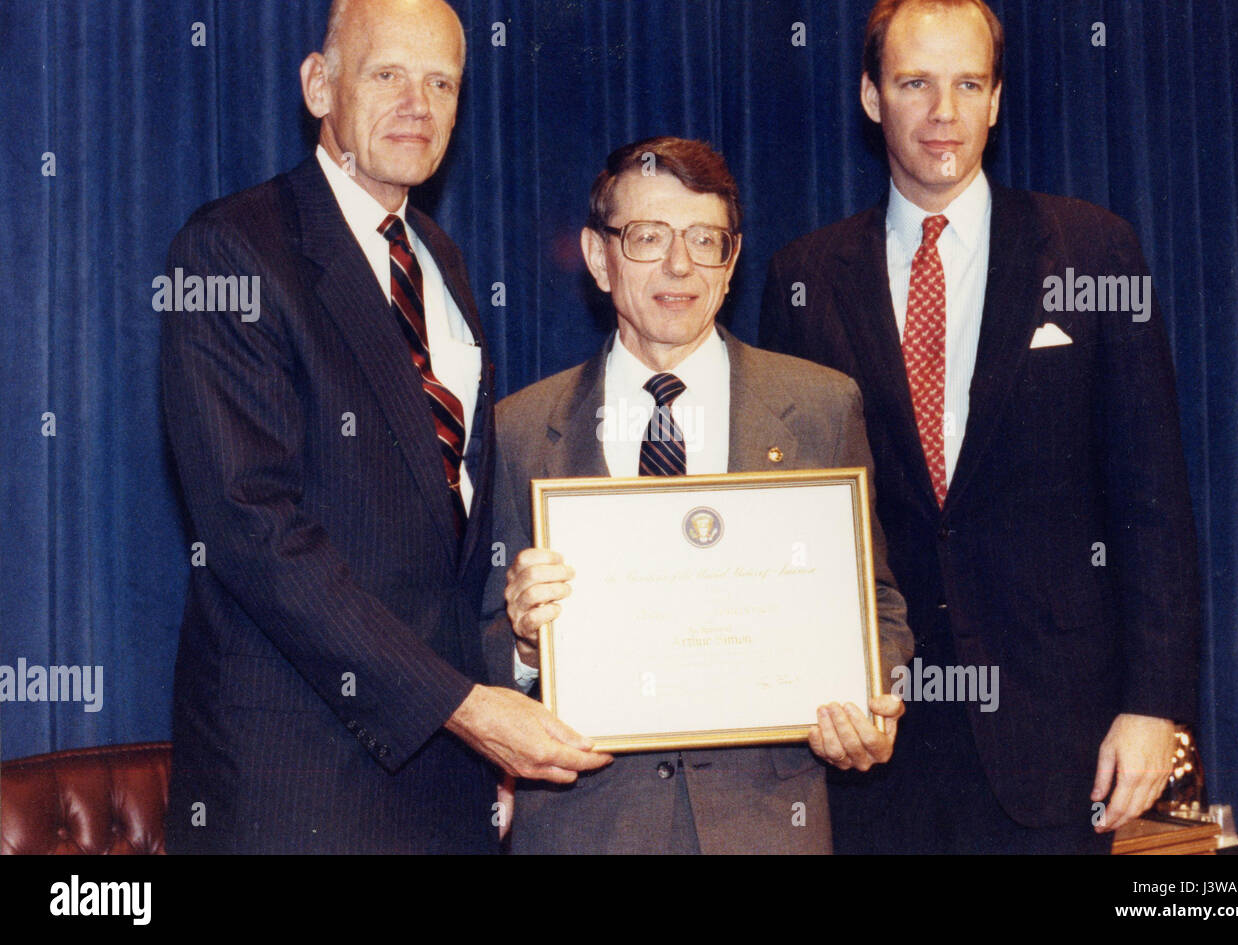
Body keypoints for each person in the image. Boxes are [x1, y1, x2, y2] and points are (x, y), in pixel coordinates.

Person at [160, 0, 608, 854]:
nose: (418, 103)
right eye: (388, 74)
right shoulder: (231, 251)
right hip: (297, 780)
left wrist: (495, 687)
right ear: (319, 85)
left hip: (445, 782)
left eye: (441, 81)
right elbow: (255, 530)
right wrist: (468, 710)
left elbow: (449, 530)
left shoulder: (441, 259)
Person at [759, 0, 1201, 854]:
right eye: (915, 83)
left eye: (969, 83)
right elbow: (793, 520)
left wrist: (1154, 706)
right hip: (877, 747)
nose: (944, 113)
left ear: (998, 99)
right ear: (870, 96)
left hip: (1056, 740)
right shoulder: (803, 276)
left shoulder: (1092, 251)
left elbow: (1154, 501)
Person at [482, 136, 914, 854]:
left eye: (705, 240)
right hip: (588, 829)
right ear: (599, 257)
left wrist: (866, 694)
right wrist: (526, 645)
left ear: (732, 260)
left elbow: (880, 605)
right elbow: (470, 647)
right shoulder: (519, 429)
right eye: (649, 237)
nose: (680, 265)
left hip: (767, 824)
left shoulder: (820, 407)